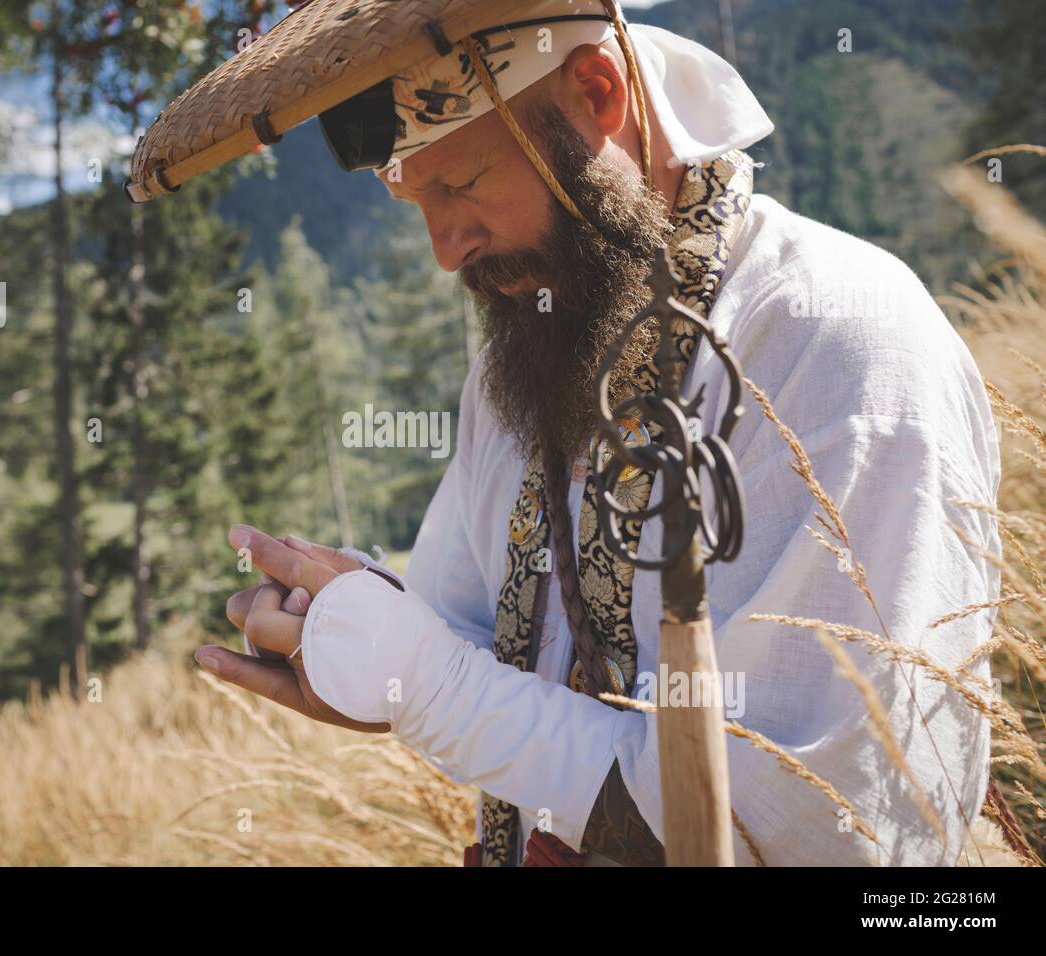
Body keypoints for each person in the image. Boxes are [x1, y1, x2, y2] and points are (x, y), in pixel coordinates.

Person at [191, 1, 1001, 866]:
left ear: (597, 92)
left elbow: (826, 826)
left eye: (459, 184)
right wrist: (354, 638)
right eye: (412, 198)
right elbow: (466, 634)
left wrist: (432, 689)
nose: (444, 249)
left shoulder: (835, 339)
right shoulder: (526, 365)